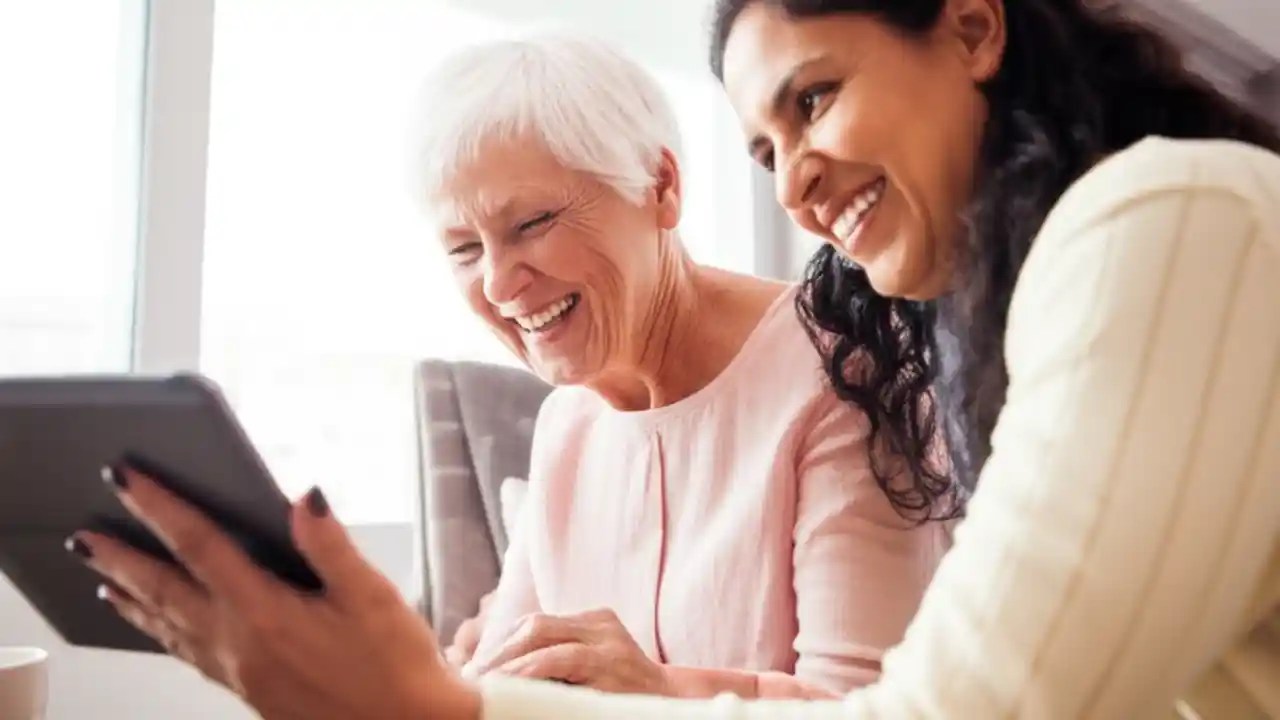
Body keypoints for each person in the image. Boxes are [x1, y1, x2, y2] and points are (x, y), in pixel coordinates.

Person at [64, 1, 1280, 718]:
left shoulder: (1159, 226)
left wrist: (461, 707)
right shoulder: (572, 424)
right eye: (463, 249)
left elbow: (921, 708)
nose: (795, 182)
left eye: (812, 100)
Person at [68, 31, 949, 705]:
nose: (498, 281)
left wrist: (657, 693)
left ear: (662, 187)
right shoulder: (568, 423)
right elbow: (490, 675)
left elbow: (882, 708)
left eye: (530, 224)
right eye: (462, 248)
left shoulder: (845, 376)